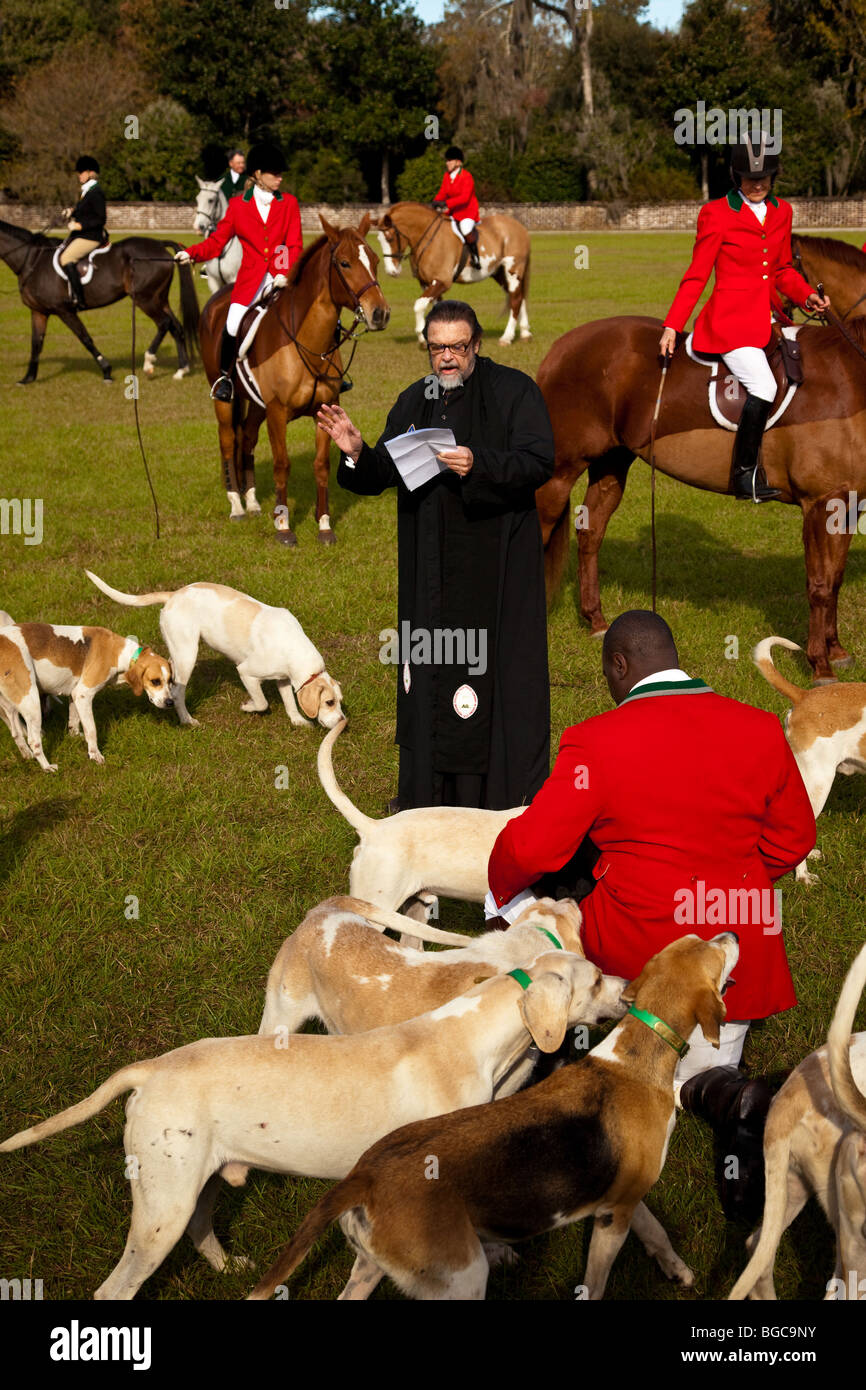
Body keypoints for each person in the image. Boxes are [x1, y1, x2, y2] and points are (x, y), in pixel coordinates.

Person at [487, 610, 815, 1208]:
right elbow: (795, 838)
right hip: (735, 959)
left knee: (638, 1066)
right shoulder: (761, 726)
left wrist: (502, 890)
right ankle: (727, 1095)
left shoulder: (596, 737)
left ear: (620, 665)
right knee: (699, 1070)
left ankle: (666, 1088)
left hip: (636, 954)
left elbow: (533, 844)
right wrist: (737, 881)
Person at [317, 299, 554, 812]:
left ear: (476, 345)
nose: (447, 358)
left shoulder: (515, 392)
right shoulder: (414, 399)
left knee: (492, 688)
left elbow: (539, 462)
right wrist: (358, 451)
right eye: (437, 348)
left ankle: (499, 806)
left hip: (495, 577)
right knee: (431, 680)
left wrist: (479, 463)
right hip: (431, 579)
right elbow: (384, 472)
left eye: (457, 347)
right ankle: (427, 804)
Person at [660, 134, 830, 503]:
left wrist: (807, 295)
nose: (758, 185)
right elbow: (697, 274)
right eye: (750, 178)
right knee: (765, 387)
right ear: (737, 177)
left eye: (765, 178)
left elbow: (783, 269)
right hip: (730, 323)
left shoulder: (782, 212)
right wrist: (672, 325)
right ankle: (743, 475)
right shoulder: (716, 214)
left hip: (768, 320)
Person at [174, 141, 302, 401]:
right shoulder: (237, 206)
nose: (280, 177)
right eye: (274, 173)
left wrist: (283, 271)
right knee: (231, 325)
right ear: (256, 174)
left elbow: (294, 243)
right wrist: (192, 253)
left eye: (280, 173)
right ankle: (225, 379)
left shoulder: (288, 203)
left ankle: (328, 372)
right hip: (250, 281)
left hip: (281, 277)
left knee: (319, 313)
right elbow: (217, 241)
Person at [59, 156, 108, 311]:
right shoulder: (87, 191)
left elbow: (100, 218)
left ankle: (79, 299)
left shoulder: (96, 192)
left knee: (66, 258)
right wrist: (72, 212)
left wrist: (79, 225)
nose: (79, 175)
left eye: (81, 172)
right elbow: (86, 211)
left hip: (91, 236)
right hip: (84, 235)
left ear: (91, 173)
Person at [433, 145, 481, 270]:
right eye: (447, 160)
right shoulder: (447, 176)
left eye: (450, 160)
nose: (447, 163)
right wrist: (435, 202)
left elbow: (465, 198)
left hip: (468, 212)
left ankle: (475, 257)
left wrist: (446, 204)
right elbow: (442, 192)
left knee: (465, 229)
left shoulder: (467, 176)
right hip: (454, 212)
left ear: (458, 162)